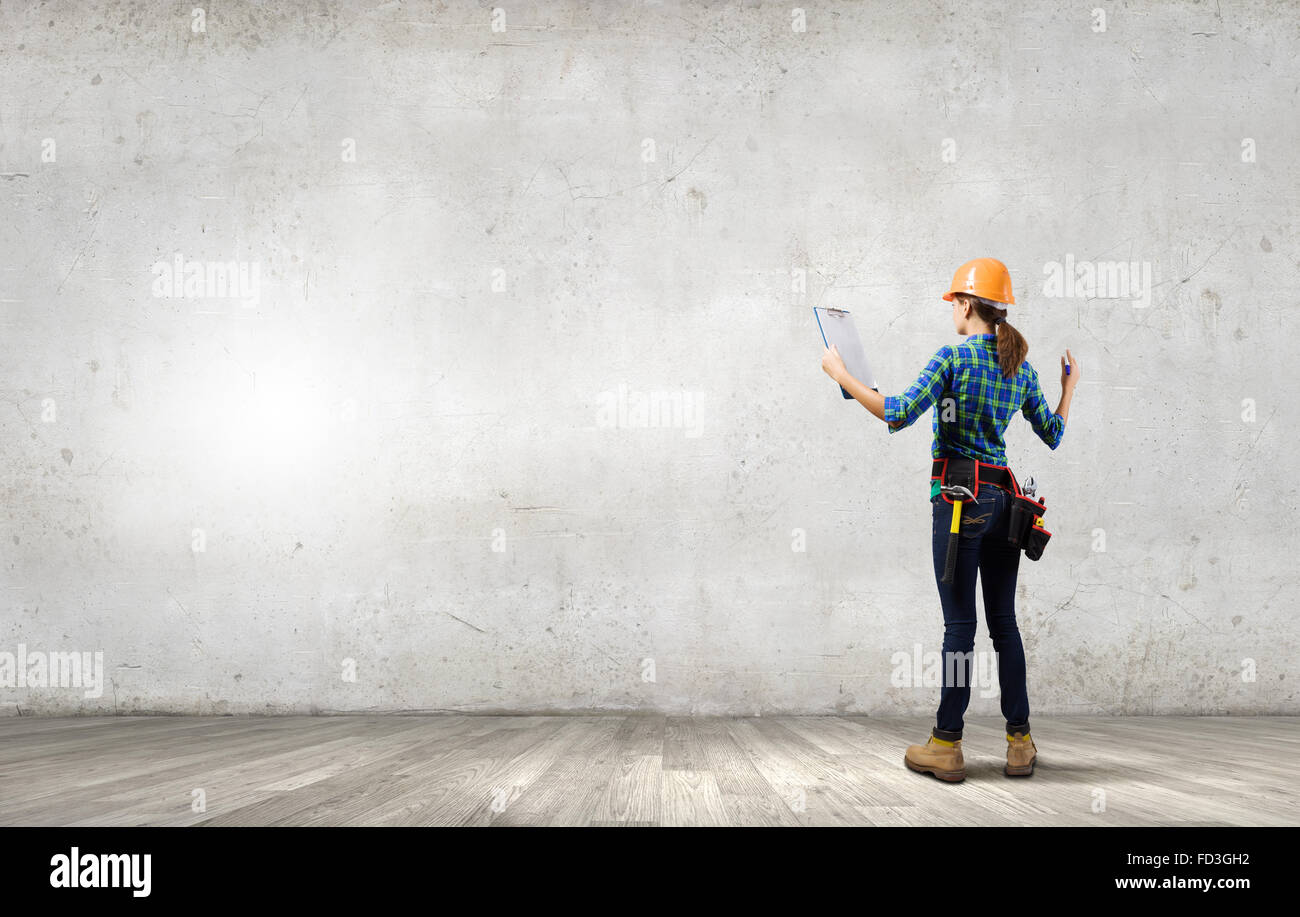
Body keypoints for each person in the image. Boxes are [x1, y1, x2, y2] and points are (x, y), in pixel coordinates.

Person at [820, 257, 1080, 782]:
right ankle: (1020, 742)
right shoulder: (1021, 369)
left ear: (965, 304)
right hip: (1008, 505)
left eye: (954, 303)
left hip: (961, 502)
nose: (952, 312)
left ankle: (946, 744)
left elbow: (896, 411)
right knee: (1004, 625)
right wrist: (1068, 385)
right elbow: (1052, 433)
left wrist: (840, 373)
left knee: (960, 626)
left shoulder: (952, 359)